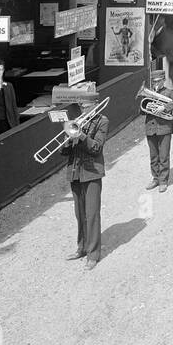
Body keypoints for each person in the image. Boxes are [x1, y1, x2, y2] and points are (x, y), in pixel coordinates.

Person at [62, 101, 109, 268]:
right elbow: (64, 152)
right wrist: (67, 139)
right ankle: (81, 247)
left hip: (91, 172)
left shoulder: (102, 121)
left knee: (92, 214)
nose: (83, 109)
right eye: (81, 106)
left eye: (87, 105)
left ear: (95, 105)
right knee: (79, 214)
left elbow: (96, 148)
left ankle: (93, 254)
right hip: (75, 172)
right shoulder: (76, 121)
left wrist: (80, 135)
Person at [141, 72, 173, 192]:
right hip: (150, 128)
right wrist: (149, 104)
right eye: (154, 82)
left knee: (163, 155)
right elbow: (141, 111)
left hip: (164, 128)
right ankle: (155, 178)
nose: (156, 84)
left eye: (158, 81)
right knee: (153, 156)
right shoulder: (149, 94)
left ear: (163, 80)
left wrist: (164, 107)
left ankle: (163, 180)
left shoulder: (169, 92)